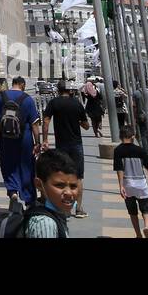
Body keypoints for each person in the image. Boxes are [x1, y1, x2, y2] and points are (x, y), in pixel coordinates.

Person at [41, 80, 91, 219]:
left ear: (58, 90)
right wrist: (79, 122)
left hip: (61, 145)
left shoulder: (54, 103)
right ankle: (79, 209)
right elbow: (86, 125)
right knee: (78, 176)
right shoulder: (76, 103)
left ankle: (63, 208)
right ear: (70, 90)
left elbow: (46, 121)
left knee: (61, 176)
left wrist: (45, 140)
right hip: (76, 144)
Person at [0, 75, 42, 206]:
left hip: (6, 138)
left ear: (12, 84)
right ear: (23, 85)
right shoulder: (27, 99)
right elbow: (35, 124)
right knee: (26, 166)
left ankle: (13, 192)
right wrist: (37, 142)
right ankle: (29, 198)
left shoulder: (1, 98)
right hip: (24, 138)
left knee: (9, 166)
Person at [113, 123, 148, 238]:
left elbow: (119, 169)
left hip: (127, 185)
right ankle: (146, 227)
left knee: (132, 212)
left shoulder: (118, 150)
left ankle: (138, 234)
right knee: (146, 208)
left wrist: (121, 186)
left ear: (121, 137)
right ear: (133, 137)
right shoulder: (140, 150)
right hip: (141, 184)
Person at [23, 149, 80, 238]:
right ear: (39, 185)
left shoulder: (57, 214)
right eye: (59, 185)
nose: (68, 193)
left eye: (73, 186)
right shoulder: (45, 223)